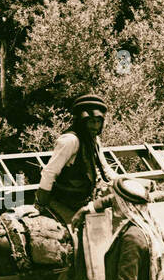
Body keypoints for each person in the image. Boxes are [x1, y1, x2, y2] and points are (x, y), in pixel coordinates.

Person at [35, 93, 110, 227]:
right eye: (91, 121)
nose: (96, 126)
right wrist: (40, 204)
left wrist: (124, 183)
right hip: (64, 202)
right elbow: (49, 173)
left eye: (98, 121)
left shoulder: (94, 140)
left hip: (85, 200)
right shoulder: (70, 141)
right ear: (82, 121)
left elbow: (104, 168)